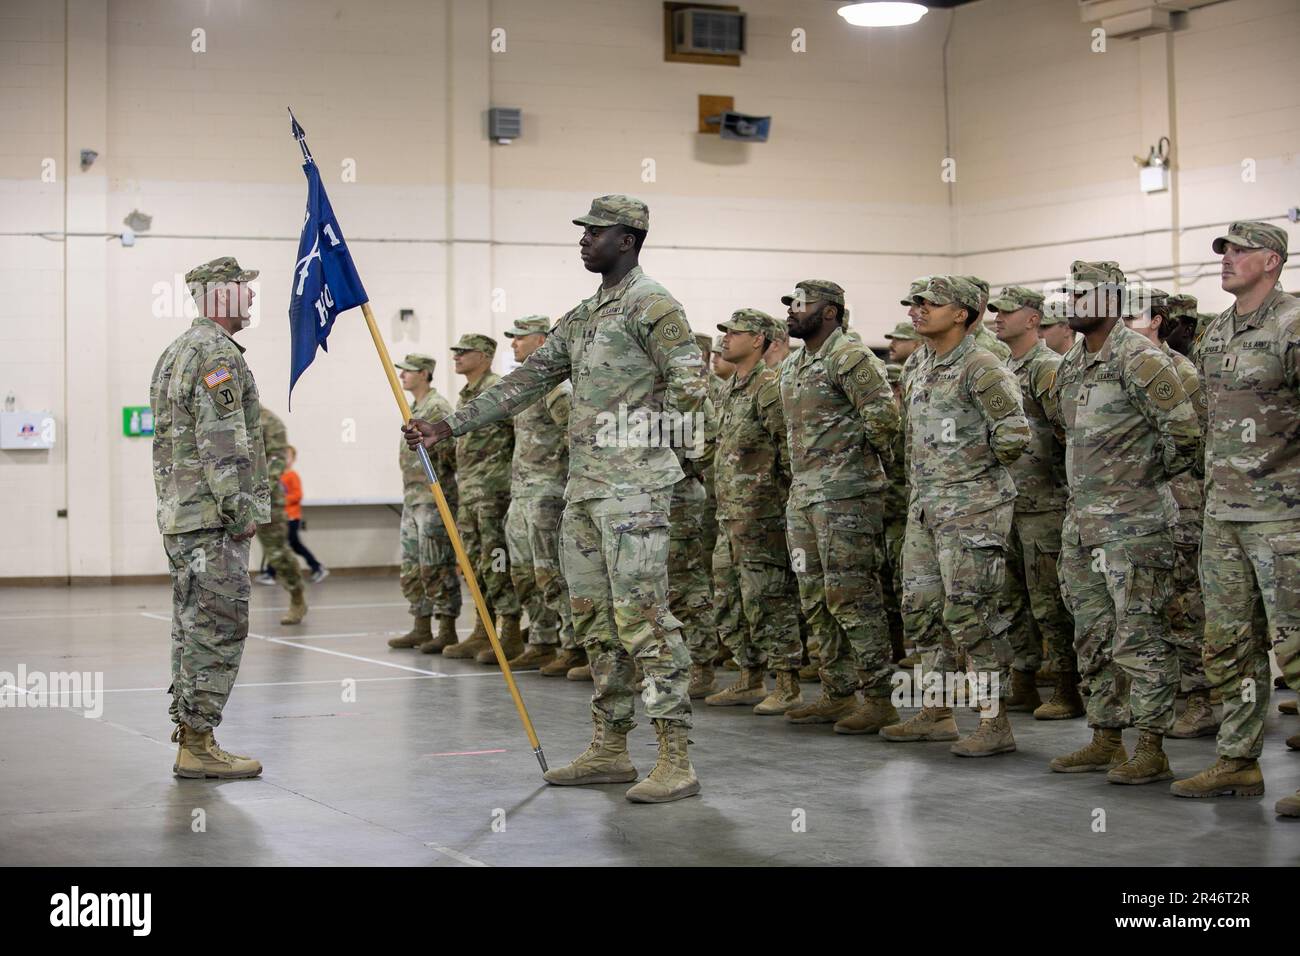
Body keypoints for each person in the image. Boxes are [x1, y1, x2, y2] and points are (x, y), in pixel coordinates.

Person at [404, 195, 706, 803]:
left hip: (635, 492)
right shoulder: (586, 314)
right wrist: (451, 426)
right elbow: (528, 380)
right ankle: (611, 748)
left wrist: (648, 449)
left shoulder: (653, 304)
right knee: (595, 621)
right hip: (584, 491)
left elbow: (692, 387)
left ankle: (676, 758)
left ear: (628, 239)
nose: (584, 240)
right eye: (584, 231)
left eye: (596, 232)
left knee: (644, 621)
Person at [1046, 261, 1199, 785]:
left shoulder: (1142, 359)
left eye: (1083, 294)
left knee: (1141, 634)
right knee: (1091, 634)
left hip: (1135, 525)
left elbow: (1185, 435)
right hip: (1082, 524)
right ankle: (1106, 738)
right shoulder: (1071, 363)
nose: (1071, 301)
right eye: (1069, 293)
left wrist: (1141, 486)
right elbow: (1064, 434)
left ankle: (1152, 747)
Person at [1173, 221, 1300, 816]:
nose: (1225, 260)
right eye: (1222, 251)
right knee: (1228, 643)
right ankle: (1239, 761)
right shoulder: (1216, 330)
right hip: (1223, 513)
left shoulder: (1293, 325)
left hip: (1283, 515)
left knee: (1295, 646)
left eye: (1239, 251)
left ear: (1272, 261)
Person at [881, 276, 1030, 756]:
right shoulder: (918, 364)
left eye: (930, 304)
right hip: (925, 508)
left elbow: (1013, 435)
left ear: (962, 313)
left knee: (972, 616)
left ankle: (994, 721)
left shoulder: (982, 366)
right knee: (921, 610)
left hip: (971, 510)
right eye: (915, 304)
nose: (917, 310)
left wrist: (968, 480)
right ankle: (937, 711)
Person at [150, 255, 267, 779]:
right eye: (245, 289)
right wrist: (239, 509)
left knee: (191, 623)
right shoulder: (218, 354)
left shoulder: (175, 352)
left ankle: (191, 736)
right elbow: (222, 443)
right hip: (212, 519)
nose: (252, 297)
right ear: (221, 294)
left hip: (182, 513)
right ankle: (198, 743)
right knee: (218, 625)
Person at [779, 279, 901, 735]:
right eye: (789, 303)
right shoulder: (795, 364)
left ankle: (878, 698)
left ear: (830, 312)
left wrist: (854, 470)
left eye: (801, 303)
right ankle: (836, 690)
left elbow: (884, 419)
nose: (792, 310)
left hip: (846, 496)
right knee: (814, 596)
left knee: (853, 596)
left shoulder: (850, 357)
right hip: (804, 496)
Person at [1121, 287, 1215, 738]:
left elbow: (1195, 439)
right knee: (1145, 605)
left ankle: (1200, 698)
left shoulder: (1179, 371)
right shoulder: (1114, 366)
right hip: (1135, 506)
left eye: (1134, 314)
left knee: (1184, 602)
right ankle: (1166, 694)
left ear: (1157, 320)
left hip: (1181, 500)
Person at [704, 309, 802, 714]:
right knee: (728, 598)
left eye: (735, 332)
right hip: (730, 514)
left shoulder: (769, 388)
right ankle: (748, 677)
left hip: (762, 515)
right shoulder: (731, 388)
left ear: (759, 340)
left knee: (769, 598)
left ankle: (787, 683)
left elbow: (787, 450)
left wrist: (780, 503)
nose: (725, 338)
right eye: (724, 331)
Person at [990, 285, 1081, 720]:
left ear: (1032, 319)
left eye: (1007, 312)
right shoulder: (1001, 366)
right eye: (995, 311)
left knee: (1050, 603)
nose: (997, 318)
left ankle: (1066, 686)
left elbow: (1069, 432)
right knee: (1011, 601)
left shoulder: (1047, 368)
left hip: (1043, 504)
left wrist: (1064, 491)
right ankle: (1023, 680)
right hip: (1006, 502)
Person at [500, 316, 581, 674]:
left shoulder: (555, 387)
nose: (514, 343)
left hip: (547, 493)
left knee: (551, 573)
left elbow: (575, 434)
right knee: (522, 573)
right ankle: (542, 638)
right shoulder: (527, 385)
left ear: (542, 340)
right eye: (512, 338)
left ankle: (574, 645)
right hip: (522, 493)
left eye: (520, 337)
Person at [444, 333, 522, 665]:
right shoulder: (466, 396)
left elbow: (519, 435)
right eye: (456, 352)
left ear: (486, 356)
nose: (457, 357)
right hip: (470, 493)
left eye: (465, 352)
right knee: (474, 564)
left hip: (494, 492)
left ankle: (511, 633)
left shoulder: (498, 390)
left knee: (496, 562)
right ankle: (482, 629)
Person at [387, 353, 461, 653]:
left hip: (433, 498)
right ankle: (421, 624)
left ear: (425, 373)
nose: (403, 375)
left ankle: (446, 628)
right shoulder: (414, 408)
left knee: (436, 565)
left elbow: (449, 453)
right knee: (412, 566)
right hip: (413, 498)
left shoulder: (437, 407)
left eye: (408, 371)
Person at [256, 406, 307, 625]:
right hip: (226, 495)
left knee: (276, 553)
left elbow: (278, 459)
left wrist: (259, 488)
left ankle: (297, 596)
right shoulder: (223, 416)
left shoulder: (269, 421)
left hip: (265, 497)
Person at [281, 446, 326, 583]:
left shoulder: (292, 476)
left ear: (293, 459)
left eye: (288, 456)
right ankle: (316, 567)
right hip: (282, 517)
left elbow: (297, 495)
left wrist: (281, 500)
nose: (284, 459)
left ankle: (317, 567)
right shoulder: (279, 476)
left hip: (292, 517)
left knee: (286, 544)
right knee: (289, 544)